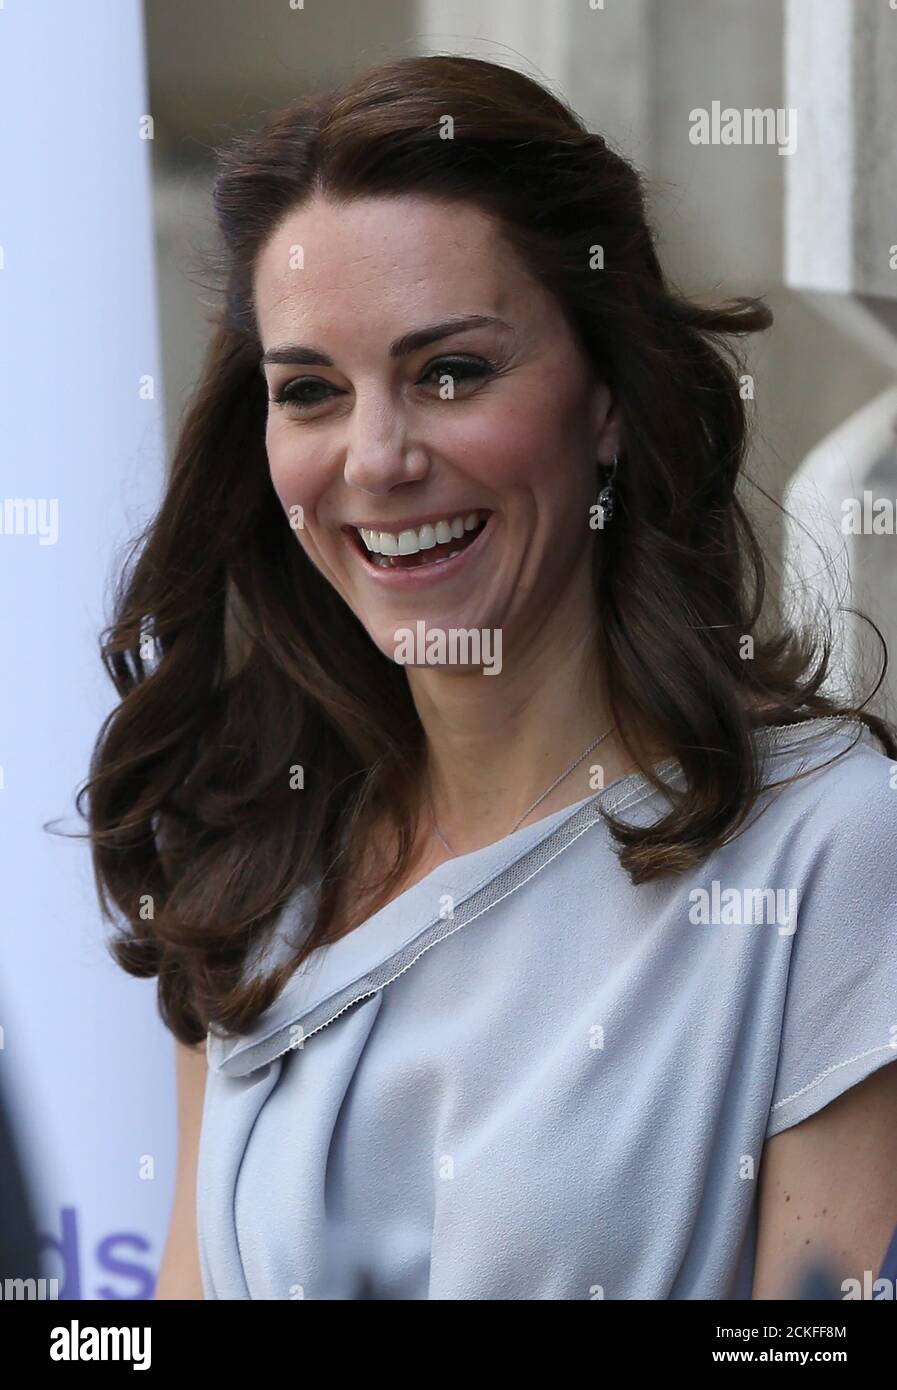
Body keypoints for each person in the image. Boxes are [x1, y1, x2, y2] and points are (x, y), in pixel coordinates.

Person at [81, 55, 897, 1300]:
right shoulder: (256, 840)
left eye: (450, 371)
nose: (380, 457)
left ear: (609, 398)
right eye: (310, 390)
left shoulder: (827, 848)